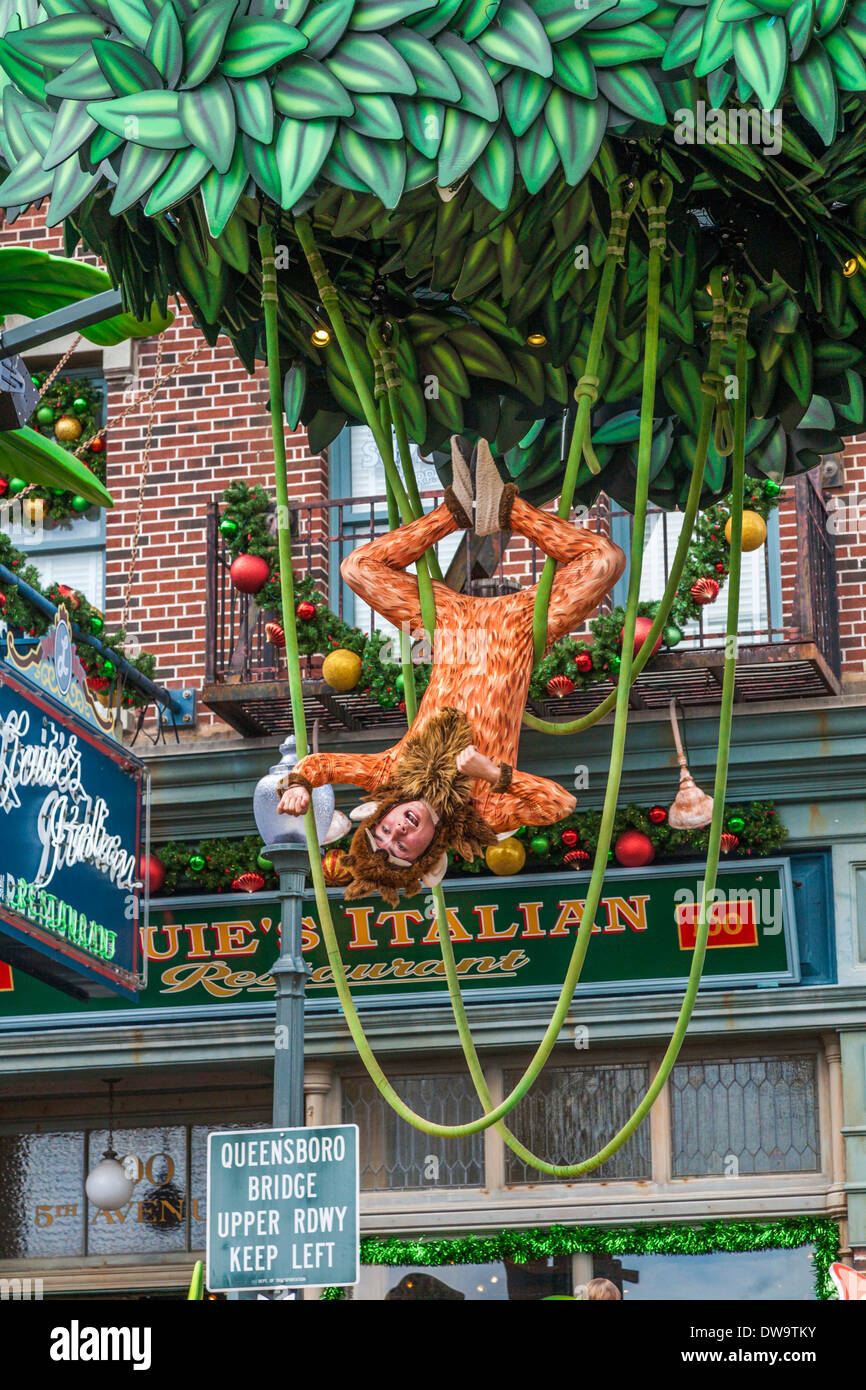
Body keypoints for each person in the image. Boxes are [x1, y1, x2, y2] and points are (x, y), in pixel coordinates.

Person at [278, 436, 625, 905]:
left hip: (449, 625)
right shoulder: (489, 811)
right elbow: (559, 803)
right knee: (604, 560)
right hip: (517, 629)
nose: (396, 829)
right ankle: (510, 509)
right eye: (401, 845)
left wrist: (298, 784)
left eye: (382, 831)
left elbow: (322, 765)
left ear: (378, 816)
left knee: (358, 567)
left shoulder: (389, 773)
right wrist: (495, 772)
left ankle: (456, 512)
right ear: (430, 854)